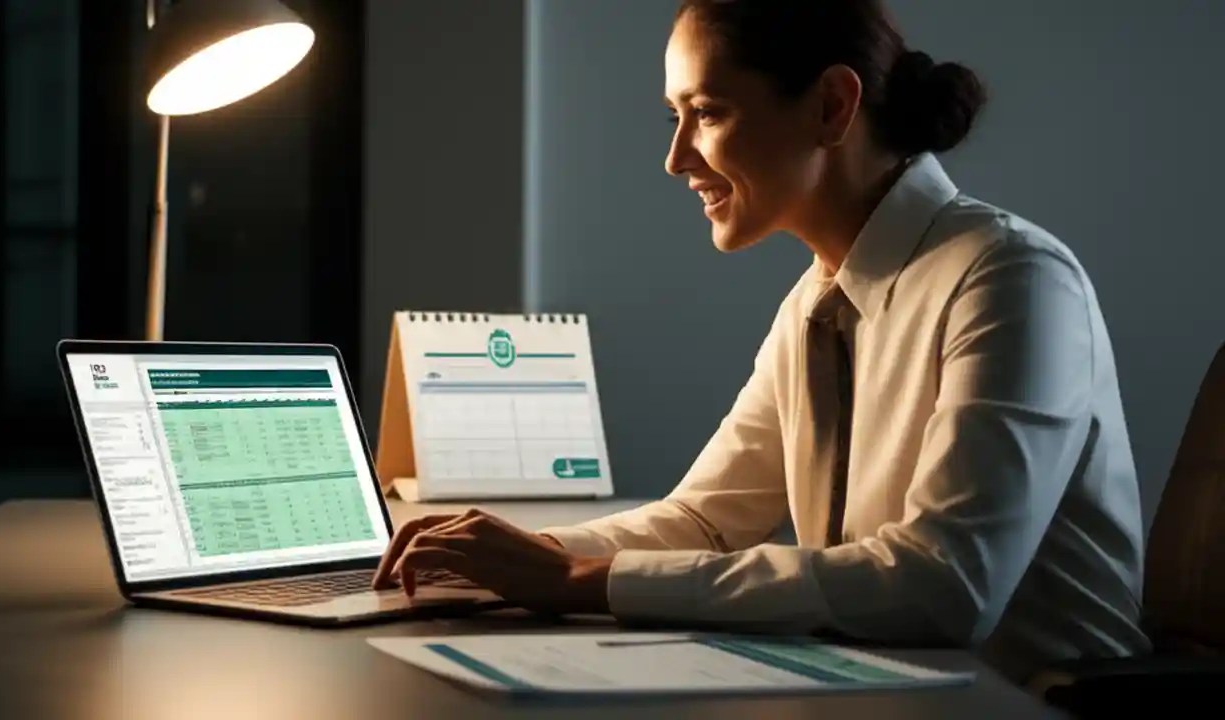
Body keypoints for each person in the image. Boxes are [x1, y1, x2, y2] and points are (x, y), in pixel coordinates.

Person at [371, 0, 1151, 684]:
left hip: (1024, 703)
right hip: (888, 690)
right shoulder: (813, 303)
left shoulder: (1011, 279)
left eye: (706, 112)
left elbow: (947, 588)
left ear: (832, 107)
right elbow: (705, 520)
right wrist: (509, 557)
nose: (676, 158)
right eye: (674, 117)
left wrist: (581, 578)